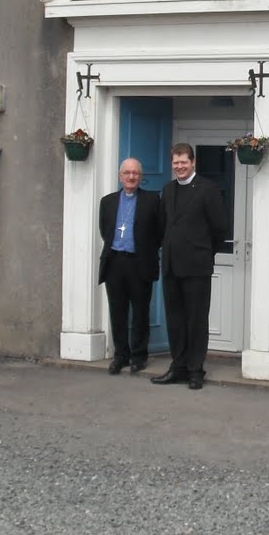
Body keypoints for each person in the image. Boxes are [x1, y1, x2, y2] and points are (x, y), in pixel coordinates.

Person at [151, 142, 227, 391]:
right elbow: (164, 226)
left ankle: (196, 370)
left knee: (196, 320)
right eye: (176, 163)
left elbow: (219, 228)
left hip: (197, 267)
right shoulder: (168, 189)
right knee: (175, 320)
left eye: (184, 162)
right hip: (172, 267)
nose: (179, 167)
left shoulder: (208, 189)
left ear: (193, 162)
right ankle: (178, 366)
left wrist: (204, 253)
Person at [98, 157, 163, 374]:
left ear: (141, 177)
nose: (131, 177)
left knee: (140, 312)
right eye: (127, 173)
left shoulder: (153, 201)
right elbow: (104, 231)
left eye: (135, 173)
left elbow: (159, 233)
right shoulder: (107, 202)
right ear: (120, 176)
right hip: (115, 262)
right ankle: (121, 355)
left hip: (139, 263)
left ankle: (139, 355)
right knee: (117, 312)